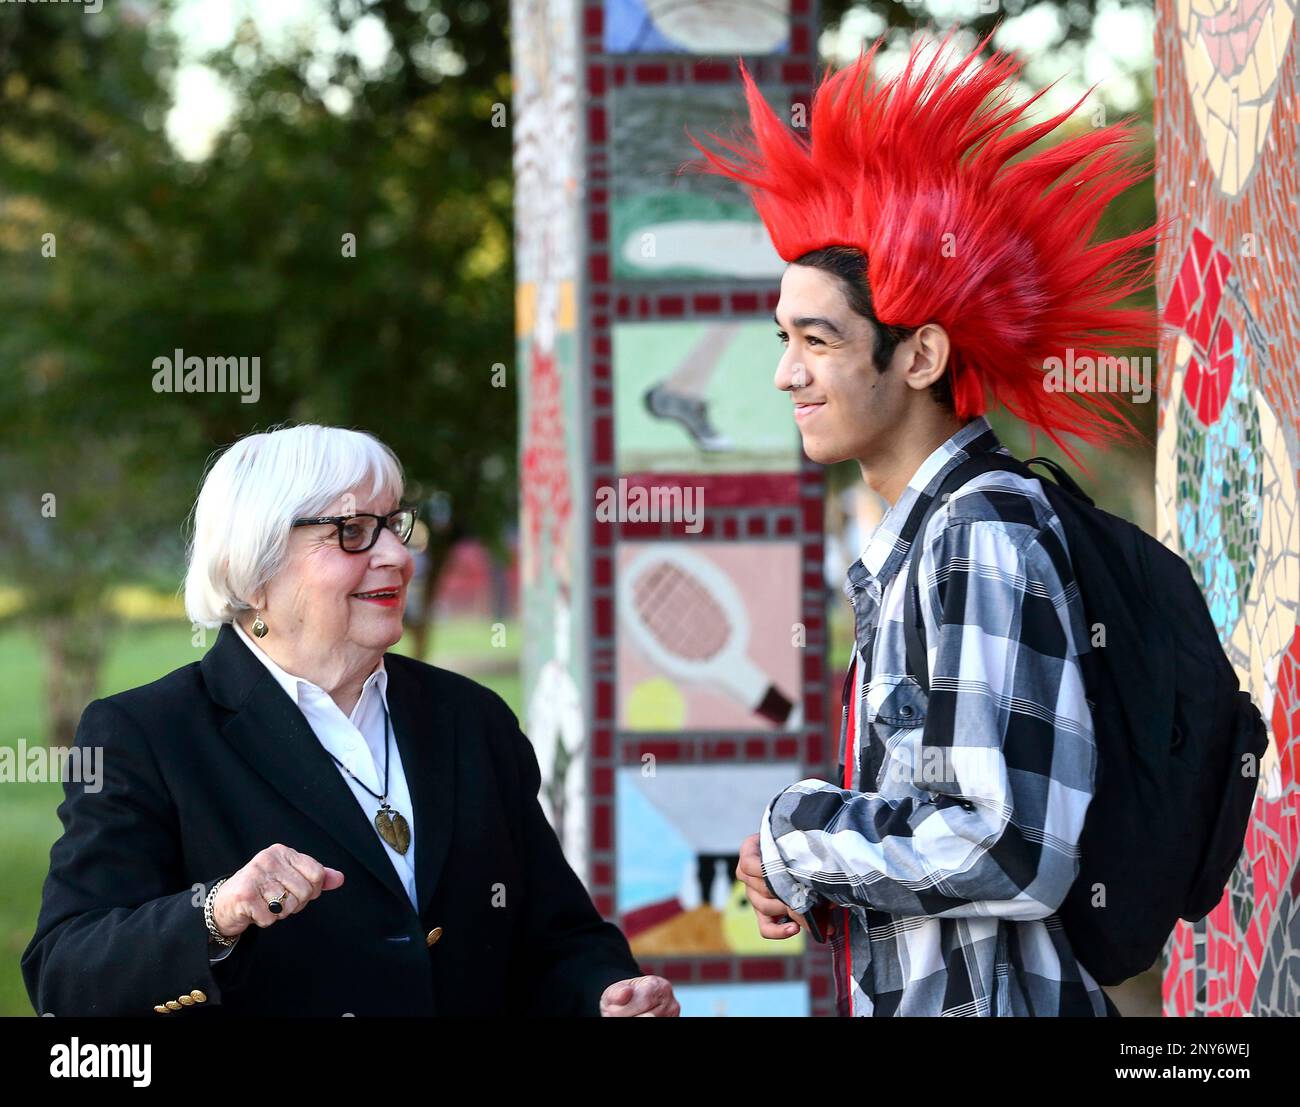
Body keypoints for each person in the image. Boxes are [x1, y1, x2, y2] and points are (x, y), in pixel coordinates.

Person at [684, 33, 1157, 1015]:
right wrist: (811, 861)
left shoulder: (978, 537)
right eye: (784, 338)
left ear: (921, 356)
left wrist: (797, 833)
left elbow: (1010, 847)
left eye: (818, 340)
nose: (785, 372)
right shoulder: (923, 540)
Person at [23, 424, 678, 1017]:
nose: (397, 554)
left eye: (395, 525)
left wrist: (604, 994)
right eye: (353, 531)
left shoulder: (471, 719)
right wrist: (217, 911)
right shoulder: (148, 734)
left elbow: (557, 936)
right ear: (254, 569)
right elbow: (66, 971)